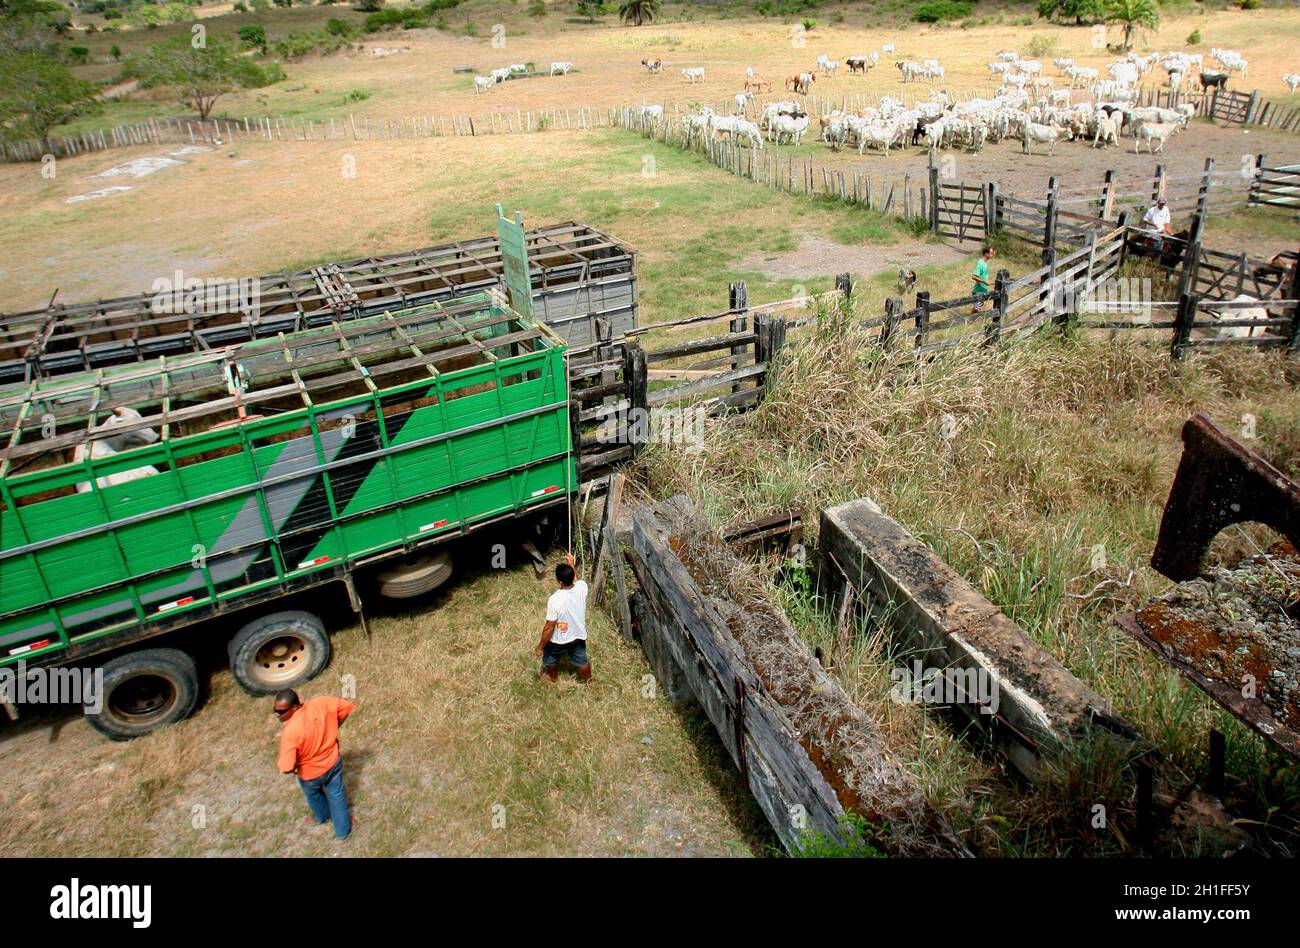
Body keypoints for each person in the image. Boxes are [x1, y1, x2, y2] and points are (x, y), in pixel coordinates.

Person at [275, 689, 356, 840]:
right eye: (275, 710)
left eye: (281, 711)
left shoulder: (290, 732)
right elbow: (346, 707)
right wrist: (334, 726)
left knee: (313, 795)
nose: (277, 714)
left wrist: (294, 769)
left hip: (310, 774)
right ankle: (343, 832)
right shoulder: (321, 703)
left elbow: (286, 768)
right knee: (337, 795)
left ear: (294, 708)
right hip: (333, 762)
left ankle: (323, 816)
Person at [536, 552, 591, 683]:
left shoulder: (555, 600)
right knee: (582, 661)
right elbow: (577, 581)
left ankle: (552, 676)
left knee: (550, 658)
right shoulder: (582, 588)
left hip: (559, 639)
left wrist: (540, 647)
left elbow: (549, 627)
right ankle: (589, 681)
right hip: (578, 636)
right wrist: (571, 563)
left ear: (559, 581)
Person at [971, 245, 995, 313]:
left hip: (982, 290)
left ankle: (972, 320)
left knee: (978, 307)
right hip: (978, 291)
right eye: (991, 253)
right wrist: (985, 282)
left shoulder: (984, 263)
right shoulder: (980, 263)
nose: (992, 254)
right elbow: (974, 276)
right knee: (977, 308)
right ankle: (970, 320)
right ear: (986, 254)